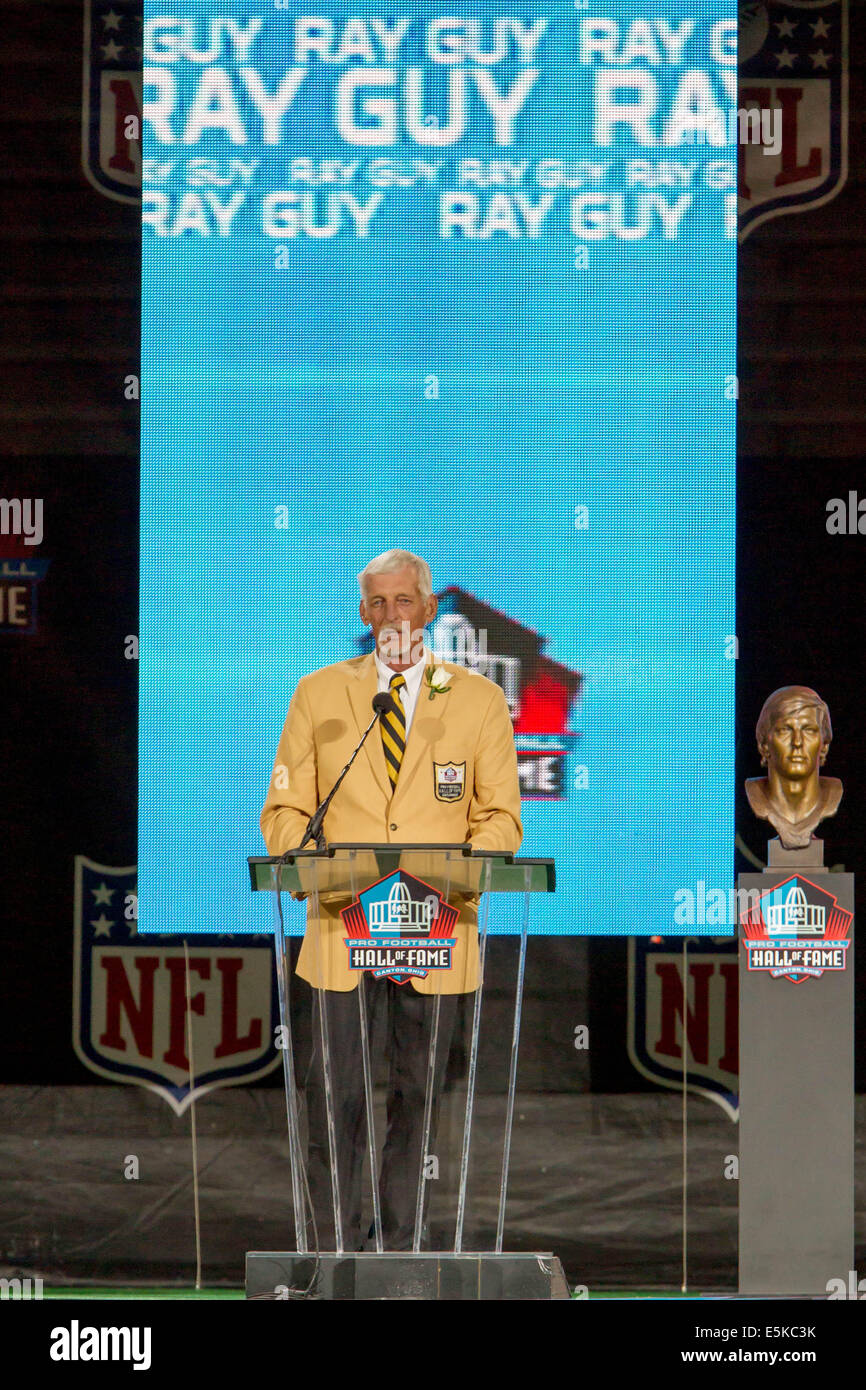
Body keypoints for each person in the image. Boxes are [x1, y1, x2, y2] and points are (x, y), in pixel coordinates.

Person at [260, 549, 522, 1249]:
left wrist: (458, 868)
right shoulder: (319, 695)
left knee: (421, 1100)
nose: (390, 617)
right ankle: (339, 1254)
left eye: (403, 601)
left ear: (430, 610)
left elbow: (501, 821)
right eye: (376, 604)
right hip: (339, 928)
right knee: (332, 1100)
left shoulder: (479, 701)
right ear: (362, 615)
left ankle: (403, 1255)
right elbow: (283, 814)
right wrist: (311, 855)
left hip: (434, 929)